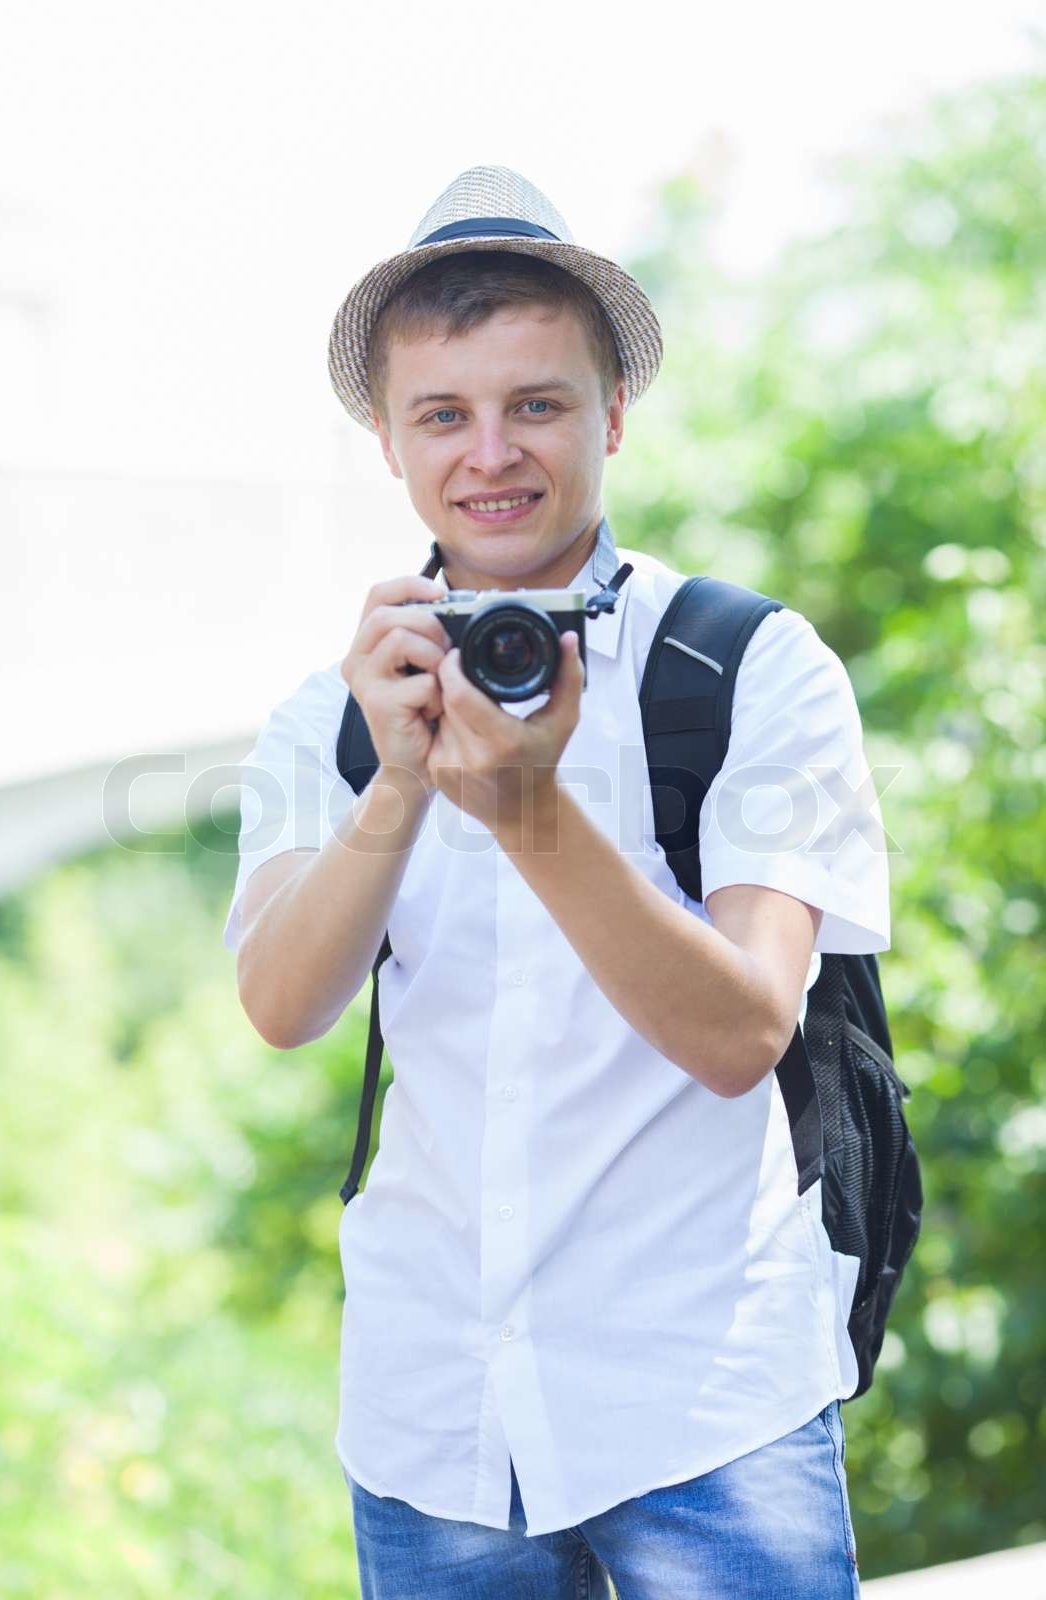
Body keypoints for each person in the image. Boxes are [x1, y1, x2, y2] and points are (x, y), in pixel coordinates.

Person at [224, 165, 888, 1598]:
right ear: (391, 446)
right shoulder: (331, 716)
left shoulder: (751, 668)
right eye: (443, 416)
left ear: (613, 415)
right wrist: (400, 785)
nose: (491, 455)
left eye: (537, 404)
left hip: (704, 1400)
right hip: (434, 1417)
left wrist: (528, 812)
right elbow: (281, 1004)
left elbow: (742, 1034)